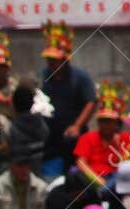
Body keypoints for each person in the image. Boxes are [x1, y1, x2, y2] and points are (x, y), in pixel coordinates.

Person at [41, 21, 95, 178]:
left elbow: (91, 101)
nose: (51, 63)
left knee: (75, 175)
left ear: (65, 59)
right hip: (50, 137)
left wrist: (77, 126)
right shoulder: (43, 76)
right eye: (49, 59)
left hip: (74, 137)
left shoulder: (79, 77)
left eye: (54, 59)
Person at [74, 81, 130, 187]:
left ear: (117, 123)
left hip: (118, 181)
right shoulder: (87, 138)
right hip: (92, 181)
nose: (106, 125)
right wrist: (98, 181)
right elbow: (81, 163)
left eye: (109, 121)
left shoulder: (126, 138)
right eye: (102, 121)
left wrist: (118, 145)